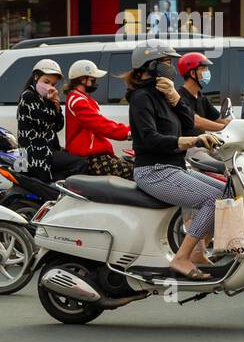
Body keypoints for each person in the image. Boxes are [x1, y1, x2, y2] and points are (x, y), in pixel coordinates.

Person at [126, 44, 224, 280]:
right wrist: (191, 141)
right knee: (213, 199)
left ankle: (199, 252)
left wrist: (176, 98)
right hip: (153, 171)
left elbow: (189, 124)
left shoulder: (164, 94)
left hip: (175, 167)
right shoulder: (141, 98)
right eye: (167, 63)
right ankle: (182, 257)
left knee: (226, 191)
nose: (171, 68)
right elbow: (150, 139)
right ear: (151, 66)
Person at [17, 58, 86, 182]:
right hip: (34, 152)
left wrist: (57, 107)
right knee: (80, 163)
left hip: (49, 149)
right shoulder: (28, 96)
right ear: (36, 77)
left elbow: (58, 126)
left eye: (53, 84)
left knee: (81, 160)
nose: (49, 87)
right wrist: (51, 106)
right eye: (46, 82)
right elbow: (42, 122)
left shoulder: (46, 98)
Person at [64, 60, 132, 179]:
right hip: (91, 157)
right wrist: (128, 132)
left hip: (98, 155)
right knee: (133, 172)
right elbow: (100, 124)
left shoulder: (85, 100)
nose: (96, 82)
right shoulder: (78, 101)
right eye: (93, 79)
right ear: (82, 79)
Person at [176, 52, 230, 133]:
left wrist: (238, 125)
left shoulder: (201, 97)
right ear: (193, 73)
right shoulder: (179, 97)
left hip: (202, 144)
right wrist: (225, 128)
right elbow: (197, 122)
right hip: (187, 144)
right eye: (204, 68)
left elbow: (220, 119)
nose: (208, 72)